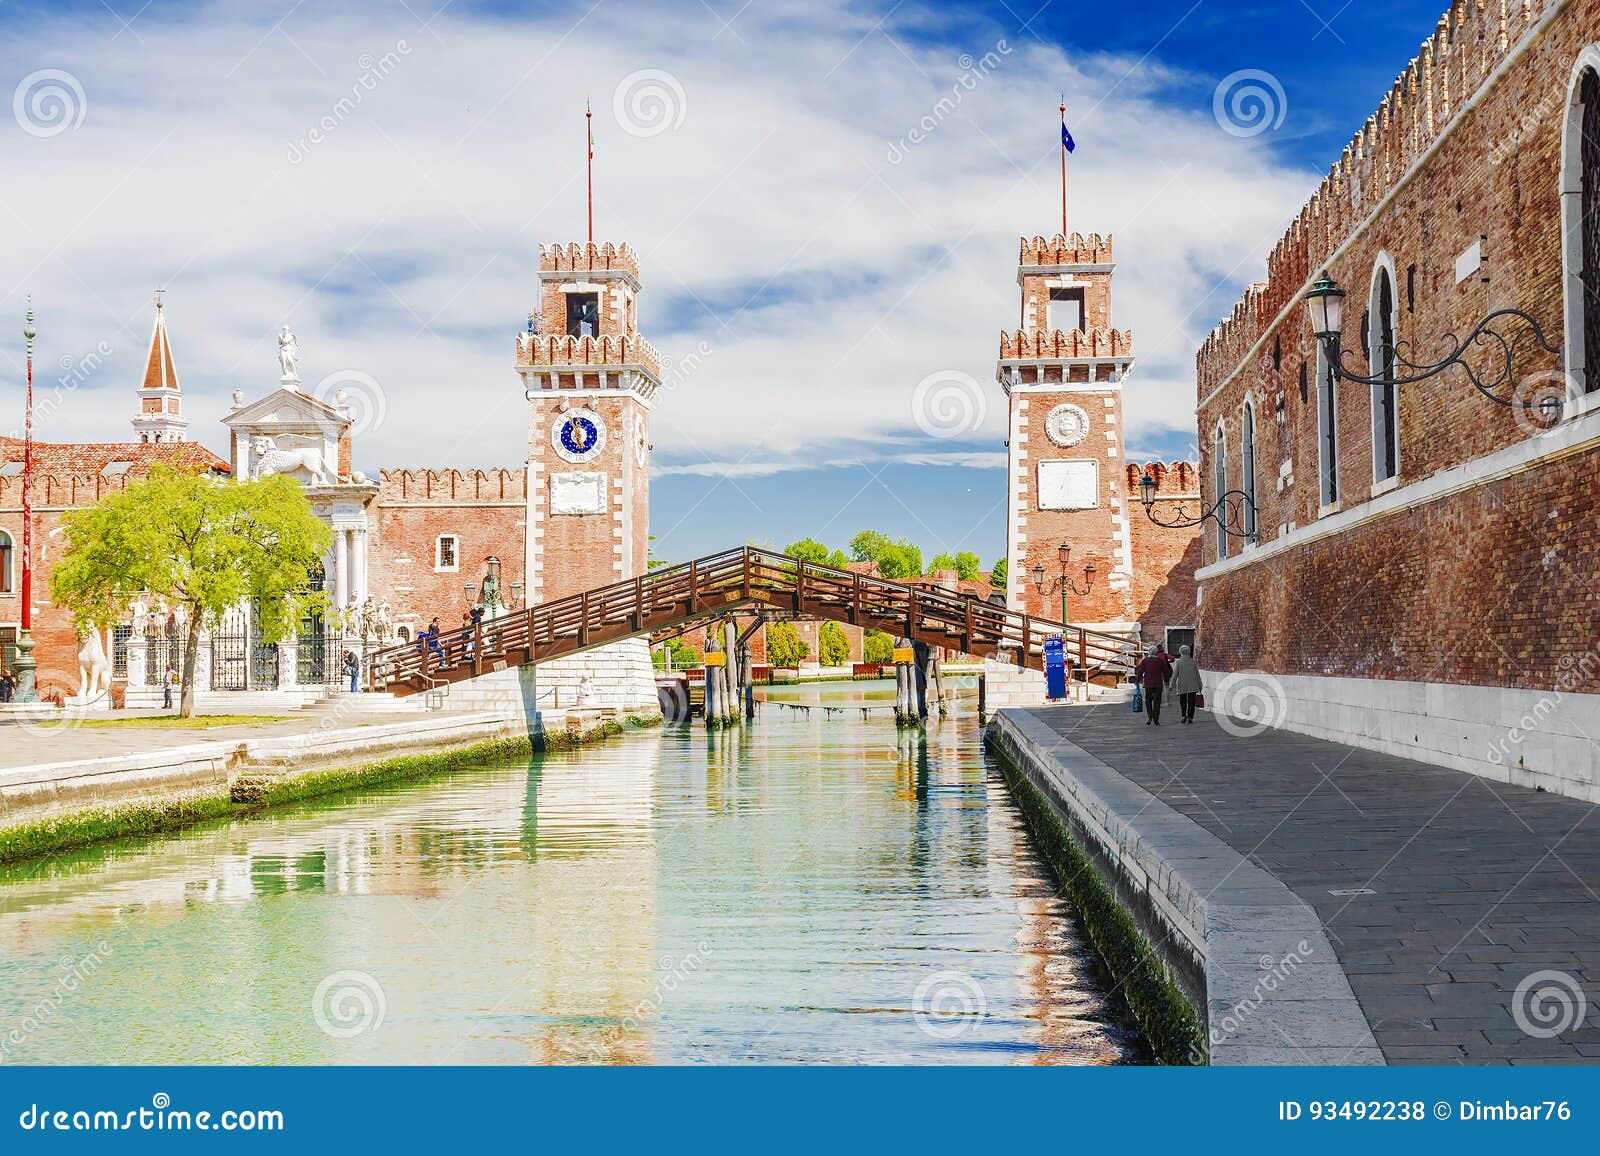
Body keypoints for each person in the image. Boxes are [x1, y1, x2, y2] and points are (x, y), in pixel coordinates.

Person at [1135, 644, 1174, 726]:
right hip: (1158, 684)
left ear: (1149, 652)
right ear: (1156, 653)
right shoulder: (1160, 661)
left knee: (1148, 701)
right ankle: (1156, 719)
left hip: (1148, 684)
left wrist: (1137, 681)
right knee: (1157, 702)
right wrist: (1167, 680)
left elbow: (1140, 672)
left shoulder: (1145, 661)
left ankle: (1150, 717)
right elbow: (1165, 671)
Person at [1171, 644, 1202, 724]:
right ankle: (1190, 717)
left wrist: (1172, 684)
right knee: (1192, 701)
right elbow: (1197, 674)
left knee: (1183, 701)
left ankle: (1183, 715)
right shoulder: (1192, 661)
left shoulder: (1179, 662)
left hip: (1182, 684)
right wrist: (1200, 684)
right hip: (1193, 684)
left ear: (1181, 652)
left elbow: (1175, 675)